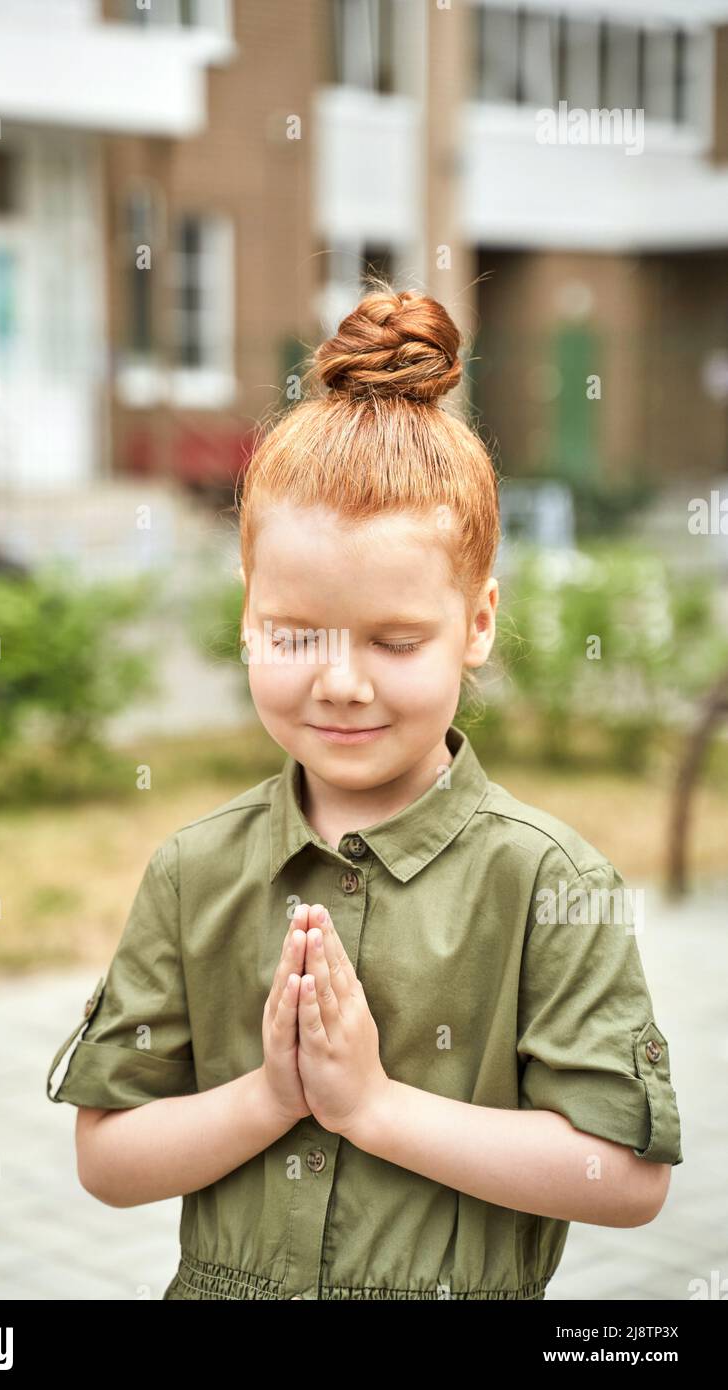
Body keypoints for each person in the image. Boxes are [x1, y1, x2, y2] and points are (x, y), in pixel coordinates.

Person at [46, 282, 683, 1301]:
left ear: (476, 623)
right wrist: (268, 1096)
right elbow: (107, 1157)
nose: (339, 680)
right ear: (249, 617)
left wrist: (371, 1106)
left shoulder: (545, 881)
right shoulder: (191, 871)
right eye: (295, 635)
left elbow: (625, 1176)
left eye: (393, 640)